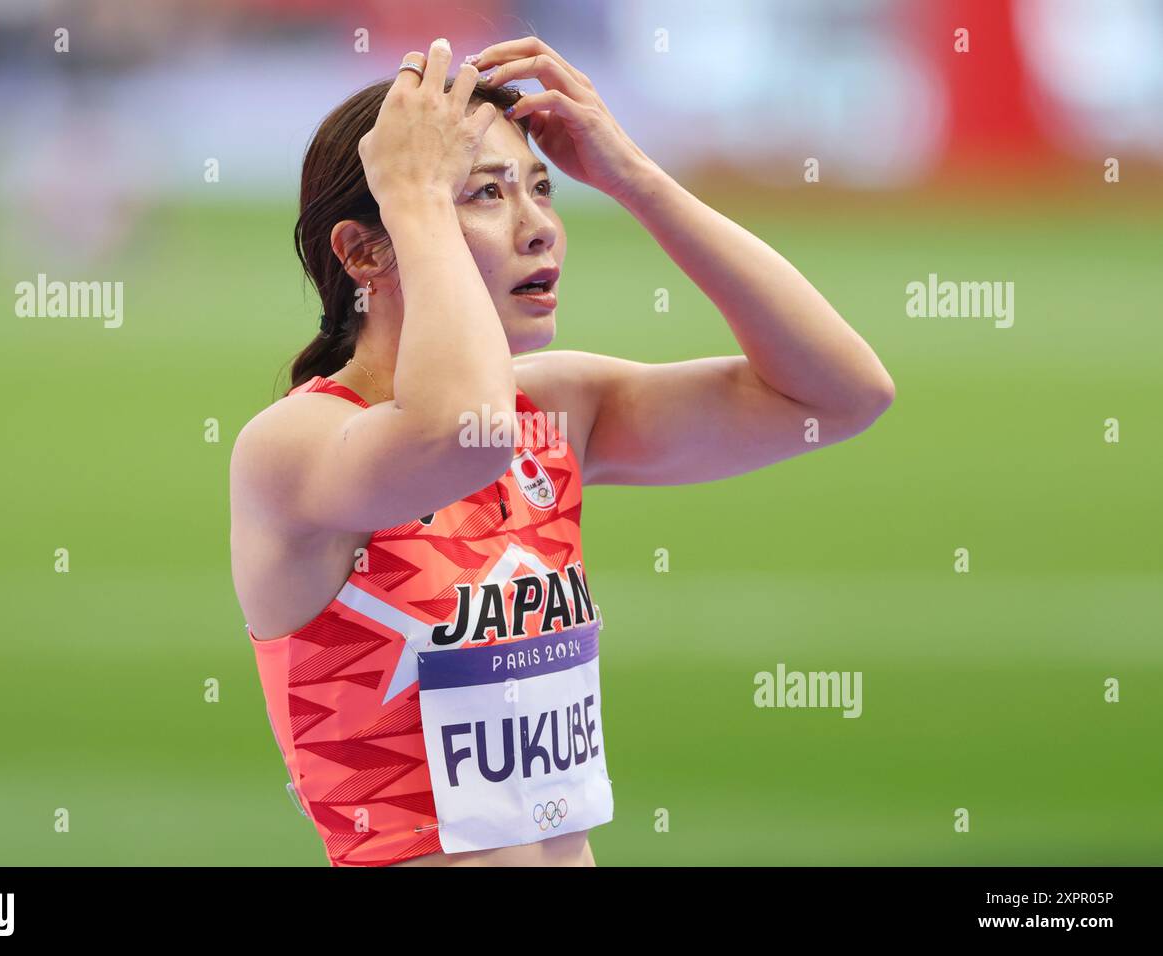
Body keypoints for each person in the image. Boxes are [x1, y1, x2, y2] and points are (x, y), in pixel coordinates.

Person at [230, 36, 895, 867]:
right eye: (482, 194)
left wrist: (635, 179)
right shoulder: (294, 446)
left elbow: (838, 396)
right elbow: (459, 436)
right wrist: (416, 196)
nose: (539, 227)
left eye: (541, 188)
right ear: (367, 250)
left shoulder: (554, 408)